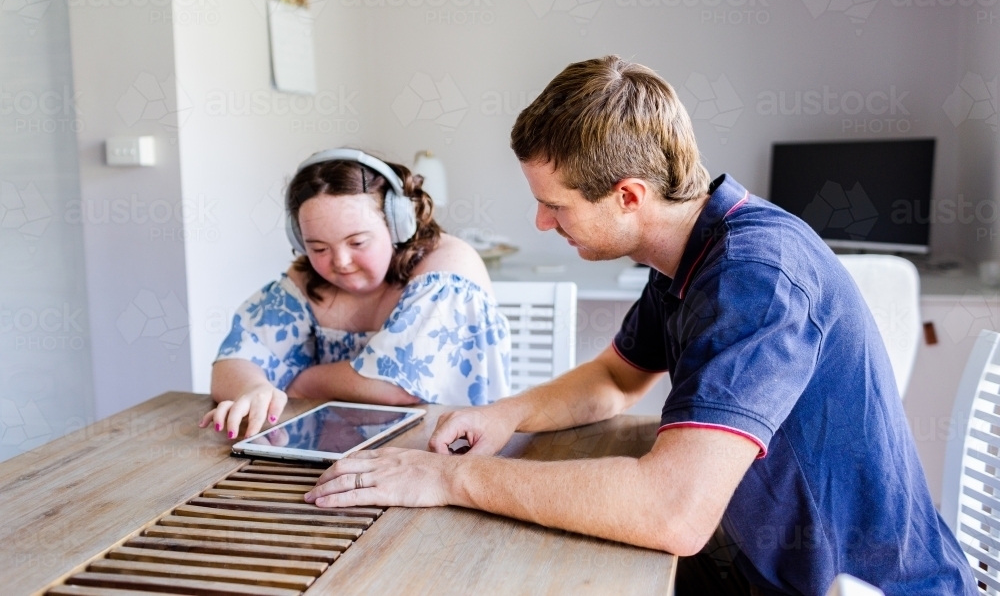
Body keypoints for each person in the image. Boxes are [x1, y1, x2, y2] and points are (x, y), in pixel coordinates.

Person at [301, 59, 977, 595]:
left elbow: (671, 510)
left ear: (629, 195)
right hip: (763, 566)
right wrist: (503, 415)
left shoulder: (755, 274)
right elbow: (616, 378)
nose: (542, 222)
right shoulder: (691, 246)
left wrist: (446, 480)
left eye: (553, 206)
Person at [200, 149, 511, 440]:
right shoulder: (305, 280)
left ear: (398, 224)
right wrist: (254, 387)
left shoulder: (450, 265)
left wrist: (303, 383)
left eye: (358, 242)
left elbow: (397, 385)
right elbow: (234, 358)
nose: (340, 262)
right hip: (337, 464)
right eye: (318, 248)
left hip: (442, 460)